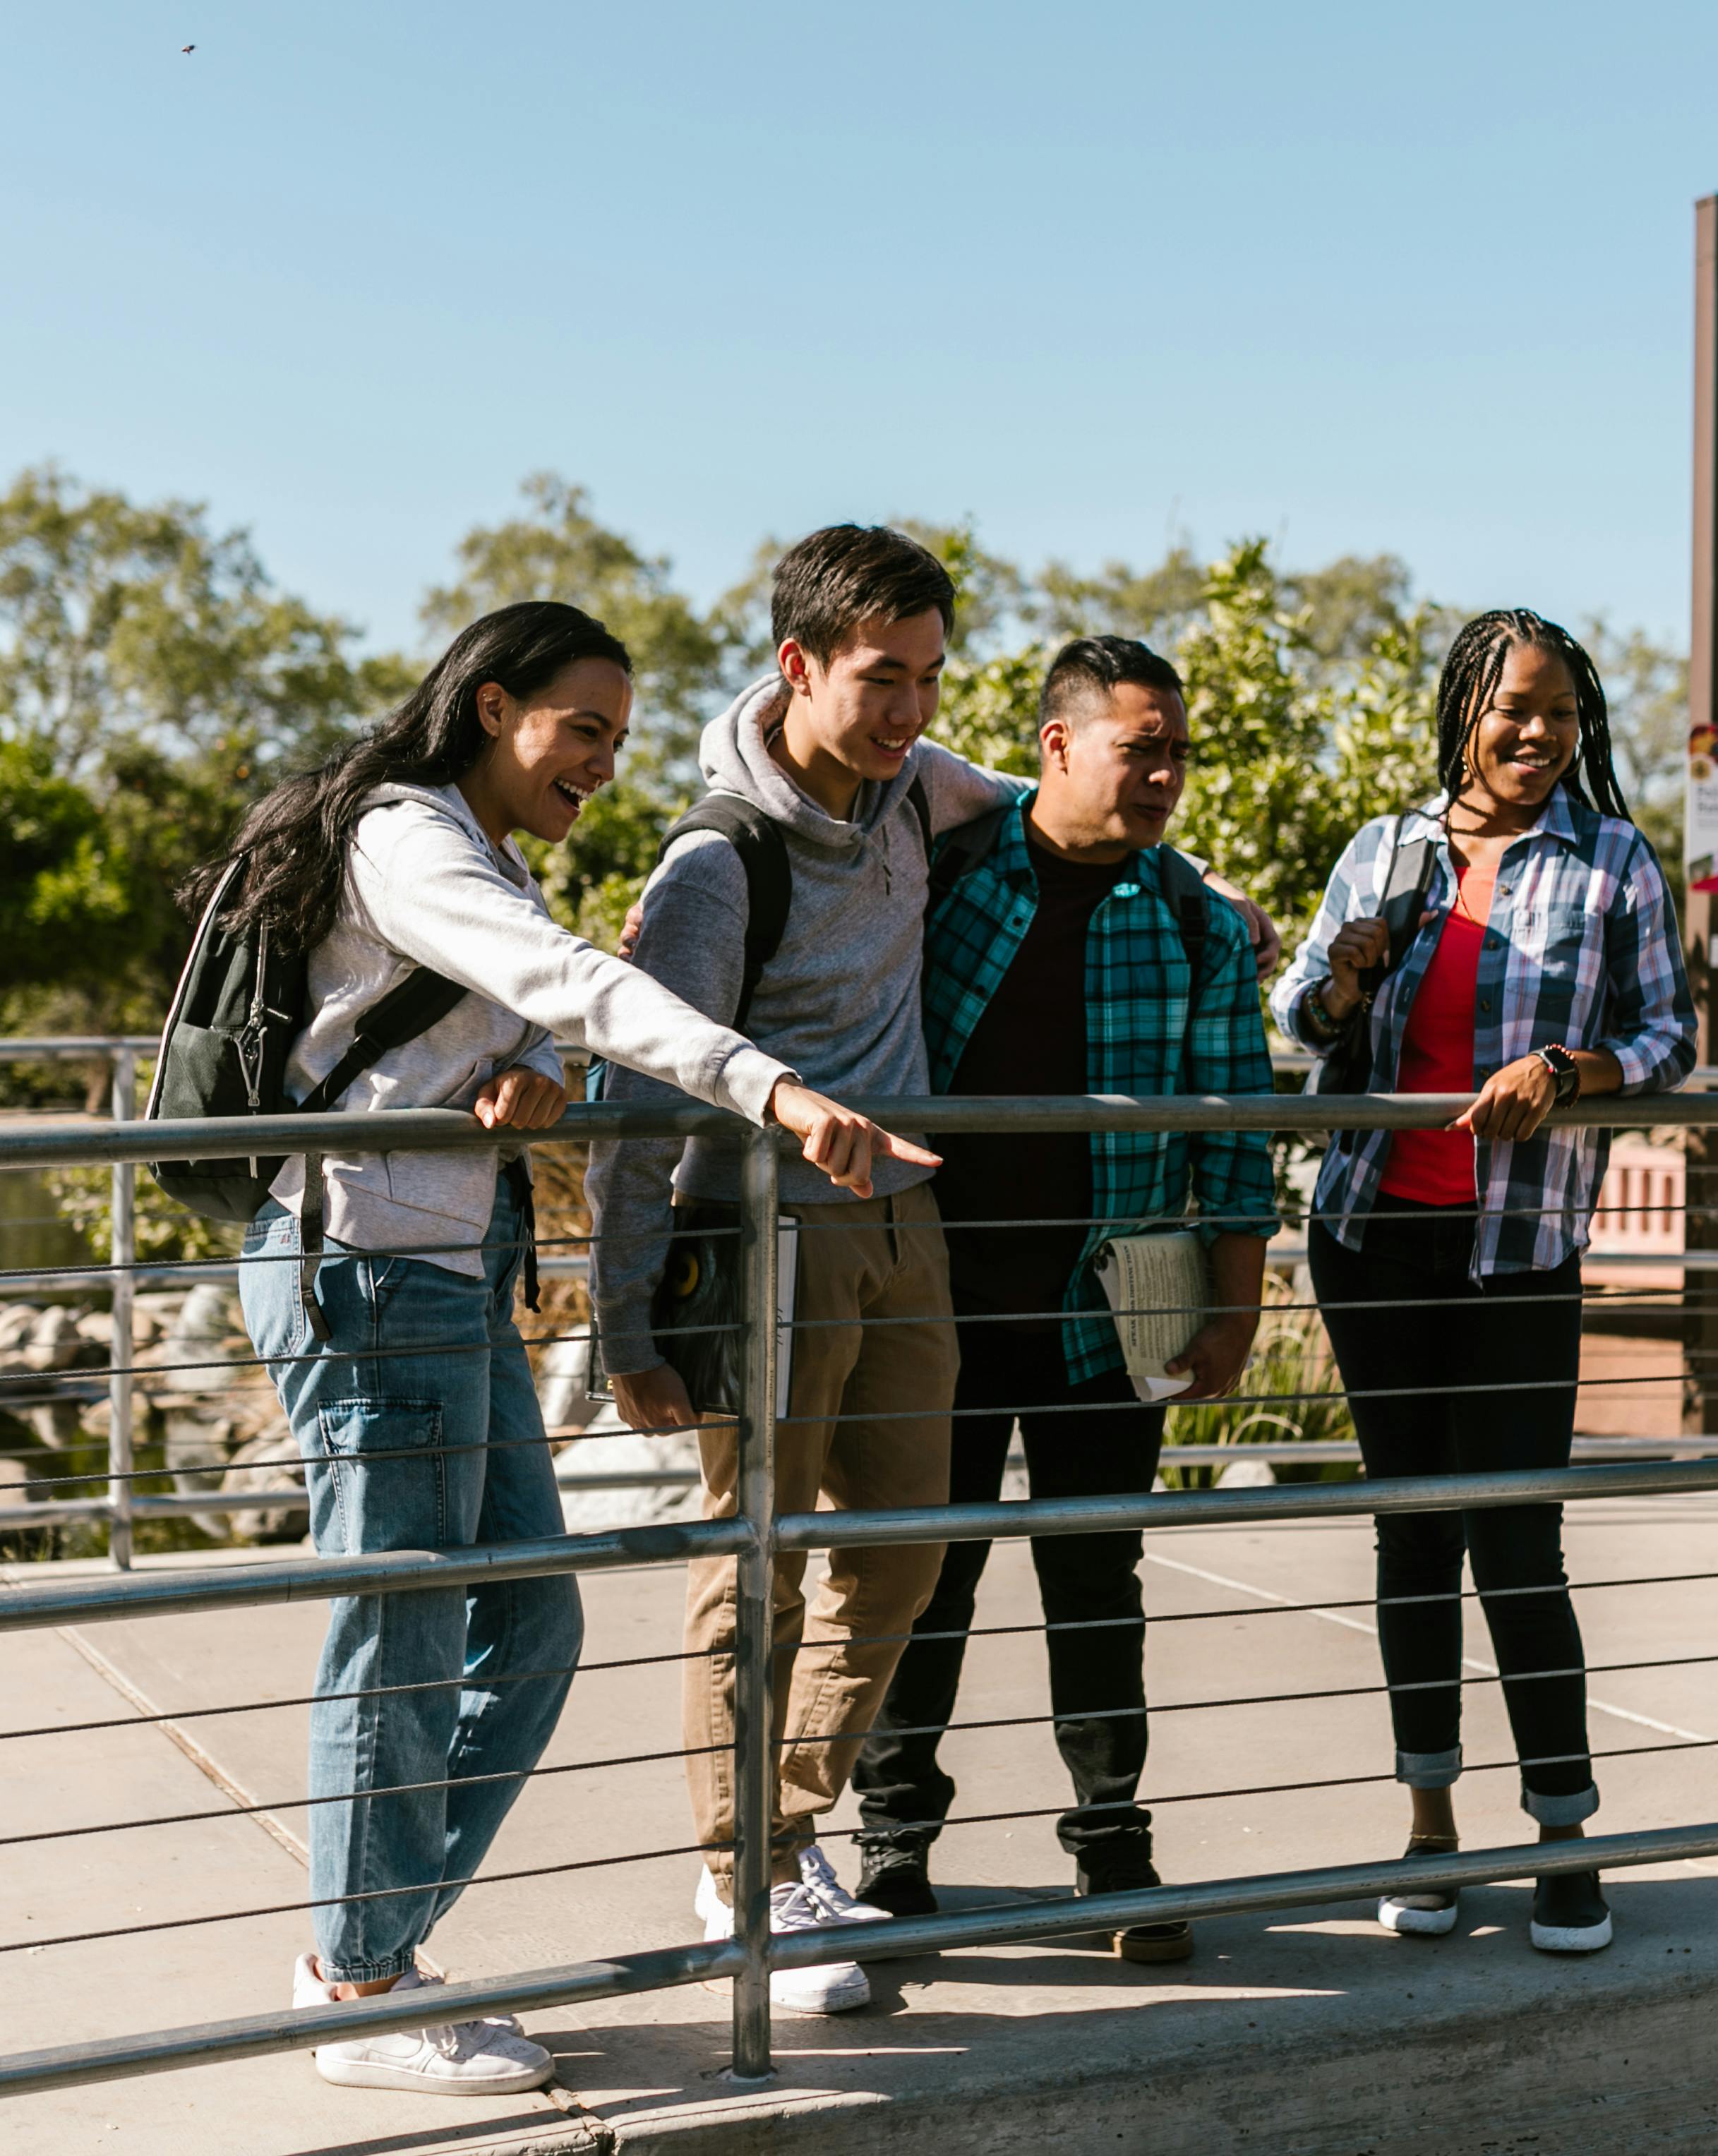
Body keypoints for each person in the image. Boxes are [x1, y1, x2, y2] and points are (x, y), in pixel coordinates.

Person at [209, 599, 925, 2096]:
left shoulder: (476, 847)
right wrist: (769, 1088)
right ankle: (361, 1978)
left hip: (446, 1271)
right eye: (579, 728)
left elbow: (509, 1015)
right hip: (360, 1273)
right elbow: (568, 979)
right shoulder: (404, 836)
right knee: (397, 1633)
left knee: (528, 1625)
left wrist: (528, 1074)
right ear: (487, 705)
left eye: (616, 735)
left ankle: (373, 1936)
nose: (601, 760)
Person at [588, 525, 1028, 2018]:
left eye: (927, 677)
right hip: (765, 1228)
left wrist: (1189, 871)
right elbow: (639, 1094)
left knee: (906, 1544)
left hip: (906, 1217)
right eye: (879, 678)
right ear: (797, 666)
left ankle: (781, 1826)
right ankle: (744, 1869)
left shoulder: (915, 785)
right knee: (754, 1554)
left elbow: (1041, 801)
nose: (910, 709)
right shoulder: (719, 864)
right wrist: (622, 1314)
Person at [1269, 608, 1693, 1958]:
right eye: (1515, 708)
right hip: (1370, 1236)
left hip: (1520, 1248)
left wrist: (1569, 1073)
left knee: (1517, 1538)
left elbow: (1667, 1035)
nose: (1539, 734)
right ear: (1462, 709)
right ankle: (1429, 1831)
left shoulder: (1613, 859)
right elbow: (1295, 1020)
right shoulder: (1381, 852)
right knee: (1410, 1536)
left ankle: (1567, 1840)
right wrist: (1340, 980)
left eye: (1562, 714)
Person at [847, 636, 1276, 1962]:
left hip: (1130, 1289)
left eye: (1177, 755)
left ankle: (1112, 1850)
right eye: (1138, 749)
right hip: (939, 1292)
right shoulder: (949, 878)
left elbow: (1237, 1135)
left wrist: (1233, 1309)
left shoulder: (1198, 922)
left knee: (1098, 1577)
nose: (1163, 777)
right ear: (1055, 747)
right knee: (926, 1575)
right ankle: (892, 1848)